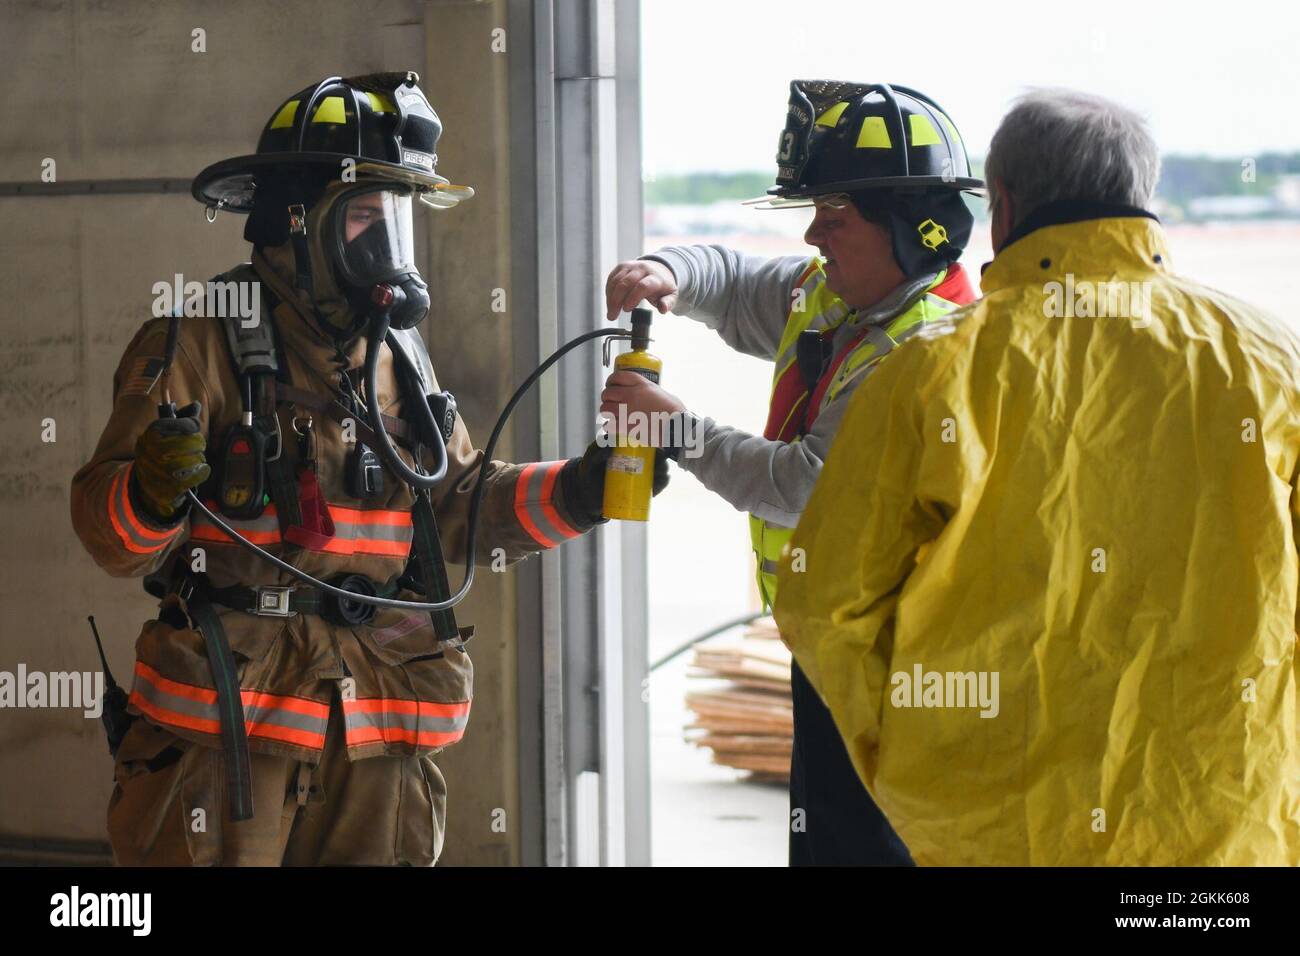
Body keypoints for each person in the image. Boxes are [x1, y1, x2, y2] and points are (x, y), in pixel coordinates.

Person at [70, 71, 665, 866]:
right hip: (230, 739)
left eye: (396, 220)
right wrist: (148, 492)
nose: (388, 248)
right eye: (364, 218)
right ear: (296, 224)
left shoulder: (396, 356)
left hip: (376, 730)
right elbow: (112, 541)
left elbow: (457, 504)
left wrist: (584, 490)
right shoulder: (200, 337)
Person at [775, 88, 1300, 865]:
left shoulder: (930, 373)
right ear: (1139, 200)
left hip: (993, 832)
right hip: (1223, 834)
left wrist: (911, 768)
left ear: (1007, 208)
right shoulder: (1268, 363)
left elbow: (824, 604)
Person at [603, 81, 982, 864]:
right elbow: (737, 279)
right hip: (838, 654)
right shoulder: (843, 300)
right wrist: (666, 270)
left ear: (912, 232)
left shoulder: (925, 352)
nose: (814, 235)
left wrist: (673, 428)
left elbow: (805, 488)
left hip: (898, 669)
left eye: (833, 219)